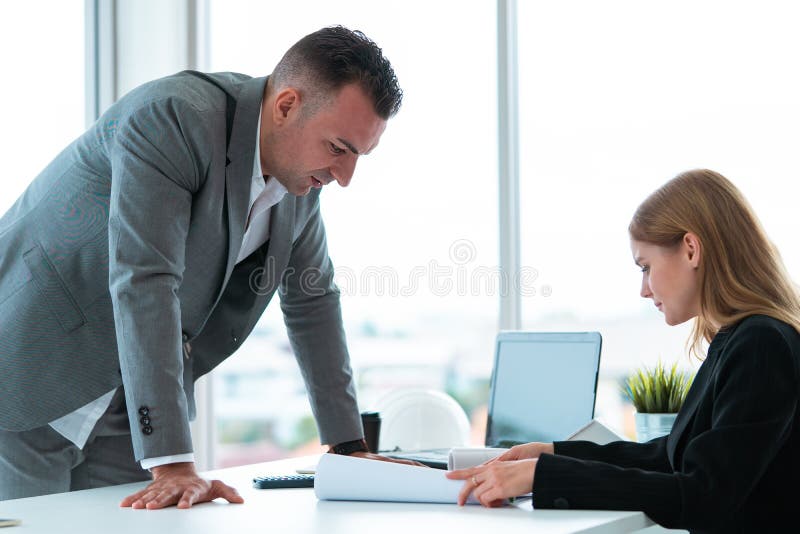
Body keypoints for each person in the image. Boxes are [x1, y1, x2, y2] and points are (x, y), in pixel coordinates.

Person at [0, 26, 411, 507]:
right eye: (338, 149)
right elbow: (145, 279)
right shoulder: (174, 117)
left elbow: (313, 301)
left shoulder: (301, 186)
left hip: (127, 410)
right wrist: (174, 463)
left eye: (359, 156)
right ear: (286, 106)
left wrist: (348, 447)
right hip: (28, 373)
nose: (345, 177)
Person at [447, 169, 800, 533]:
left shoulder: (761, 345)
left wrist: (546, 475)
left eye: (646, 267)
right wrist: (553, 454)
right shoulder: (742, 338)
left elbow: (701, 495)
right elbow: (669, 456)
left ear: (691, 249)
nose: (644, 290)